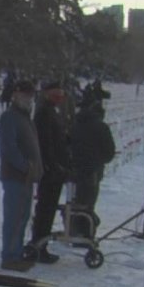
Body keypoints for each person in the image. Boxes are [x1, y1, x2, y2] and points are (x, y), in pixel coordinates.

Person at [0, 80, 43, 271]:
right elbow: (10, 148)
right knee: (14, 218)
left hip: (26, 178)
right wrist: (26, 166)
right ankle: (10, 256)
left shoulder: (25, 118)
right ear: (15, 95)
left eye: (31, 96)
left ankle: (16, 252)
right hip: (16, 177)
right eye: (25, 95)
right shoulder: (9, 117)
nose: (29, 99)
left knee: (22, 217)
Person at [28, 81, 71, 264]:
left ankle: (41, 242)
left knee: (49, 208)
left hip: (56, 168)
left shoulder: (53, 111)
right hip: (50, 170)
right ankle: (39, 243)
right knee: (45, 208)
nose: (59, 97)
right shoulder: (44, 113)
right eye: (56, 93)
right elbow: (46, 143)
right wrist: (53, 165)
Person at [68, 100, 116, 239]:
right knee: (88, 203)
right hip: (92, 172)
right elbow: (109, 152)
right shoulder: (101, 127)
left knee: (73, 201)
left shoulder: (74, 125)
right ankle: (85, 233)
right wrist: (99, 161)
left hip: (72, 170)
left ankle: (72, 228)